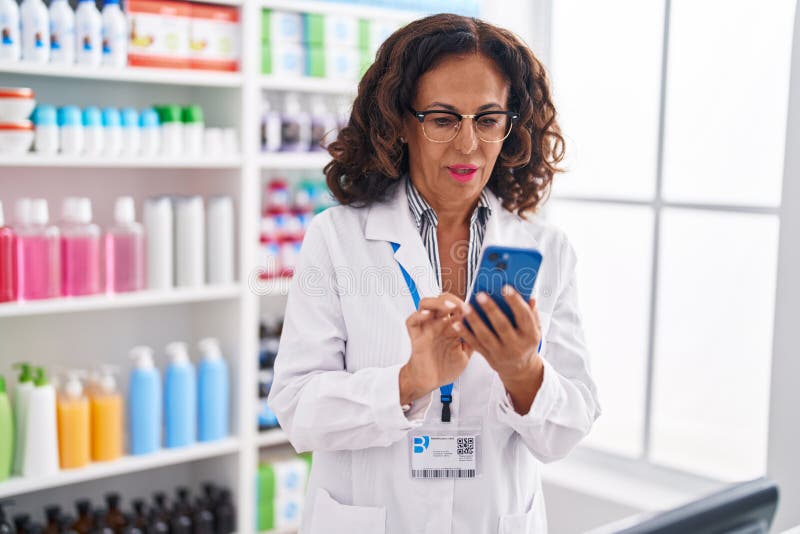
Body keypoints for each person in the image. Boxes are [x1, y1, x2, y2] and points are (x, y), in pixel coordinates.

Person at [268, 12, 600, 534]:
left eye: (487, 119)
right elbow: (297, 410)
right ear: (402, 121)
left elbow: (568, 427)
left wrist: (522, 372)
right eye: (444, 119)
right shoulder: (337, 239)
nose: (468, 145)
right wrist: (408, 382)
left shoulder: (545, 250)